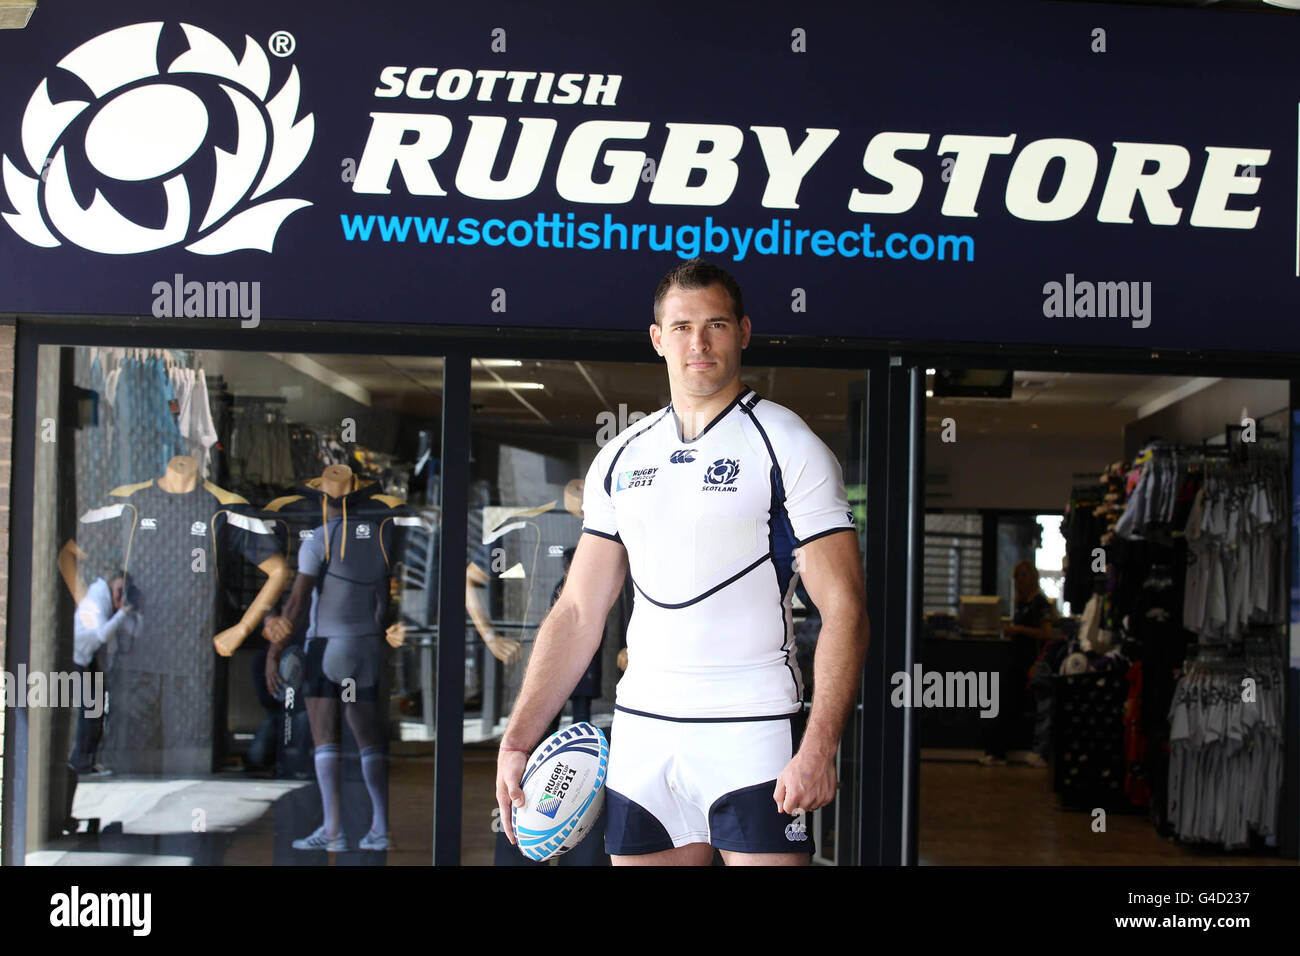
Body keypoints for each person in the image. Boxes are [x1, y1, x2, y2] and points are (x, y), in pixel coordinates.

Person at [495, 259, 870, 866]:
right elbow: (579, 611)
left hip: (752, 728)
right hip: (643, 730)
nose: (699, 342)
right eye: (683, 325)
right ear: (657, 338)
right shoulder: (619, 458)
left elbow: (845, 608)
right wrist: (517, 738)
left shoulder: (789, 445)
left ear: (744, 332)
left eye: (716, 324)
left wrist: (821, 745)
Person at [980, 560, 1057, 767]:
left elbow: (1047, 633)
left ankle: (1002, 751)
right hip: (1016, 661)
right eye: (1017, 577)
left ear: (1032, 577)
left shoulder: (1039, 603)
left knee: (1010, 706)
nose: (1020, 581)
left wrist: (1020, 630)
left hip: (1031, 664)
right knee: (1005, 706)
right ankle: (997, 751)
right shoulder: (1020, 604)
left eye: (1024, 576)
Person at [67, 571, 138, 775]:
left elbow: (135, 631)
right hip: (77, 657)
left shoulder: (107, 600)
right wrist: (123, 612)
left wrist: (133, 611)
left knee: (96, 711)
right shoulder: (97, 597)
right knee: (89, 712)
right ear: (111, 582)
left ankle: (86, 761)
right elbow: (102, 634)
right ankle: (80, 762)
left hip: (86, 658)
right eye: (120, 588)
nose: (122, 593)